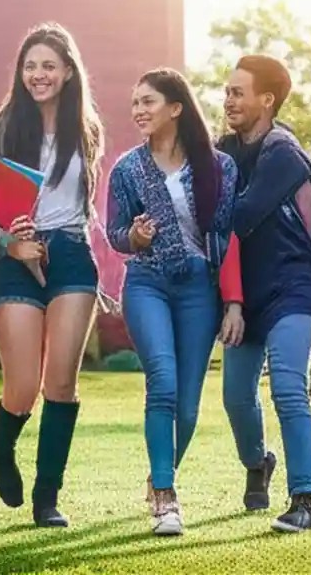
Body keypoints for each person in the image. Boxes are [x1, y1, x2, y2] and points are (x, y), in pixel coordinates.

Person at [105, 68, 245, 536]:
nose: (138, 110)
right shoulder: (127, 169)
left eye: (148, 101)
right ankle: (165, 497)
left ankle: (158, 476)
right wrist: (135, 237)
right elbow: (115, 234)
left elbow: (228, 237)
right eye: (135, 103)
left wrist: (233, 302)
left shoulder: (220, 168)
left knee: (186, 407)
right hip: (147, 283)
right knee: (162, 382)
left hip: (199, 288)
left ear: (176, 108)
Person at [0, 23, 104, 528]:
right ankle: (1, 448)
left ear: (68, 72)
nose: (38, 75)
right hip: (15, 257)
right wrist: (10, 244)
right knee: (23, 387)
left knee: (60, 383)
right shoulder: (0, 129)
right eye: (30, 66)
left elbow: (83, 204)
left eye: (49, 66)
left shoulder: (86, 130)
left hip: (71, 254)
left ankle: (47, 496)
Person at [217, 55, 311, 533]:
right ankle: (258, 463)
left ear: (267, 99)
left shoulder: (285, 154)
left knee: (287, 387)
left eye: (238, 92)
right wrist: (233, 301)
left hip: (295, 285)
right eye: (227, 92)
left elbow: (240, 216)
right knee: (236, 397)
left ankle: (305, 499)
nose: (228, 100)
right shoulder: (223, 151)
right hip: (246, 292)